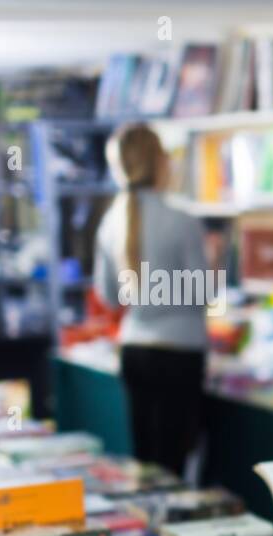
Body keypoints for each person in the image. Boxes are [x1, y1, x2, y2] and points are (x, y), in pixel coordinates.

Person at [95, 123, 211, 479]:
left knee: (145, 464)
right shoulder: (182, 219)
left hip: (135, 351)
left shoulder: (111, 221)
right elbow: (202, 292)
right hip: (180, 353)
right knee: (175, 463)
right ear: (160, 161)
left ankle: (152, 533)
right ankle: (172, 534)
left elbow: (109, 296)